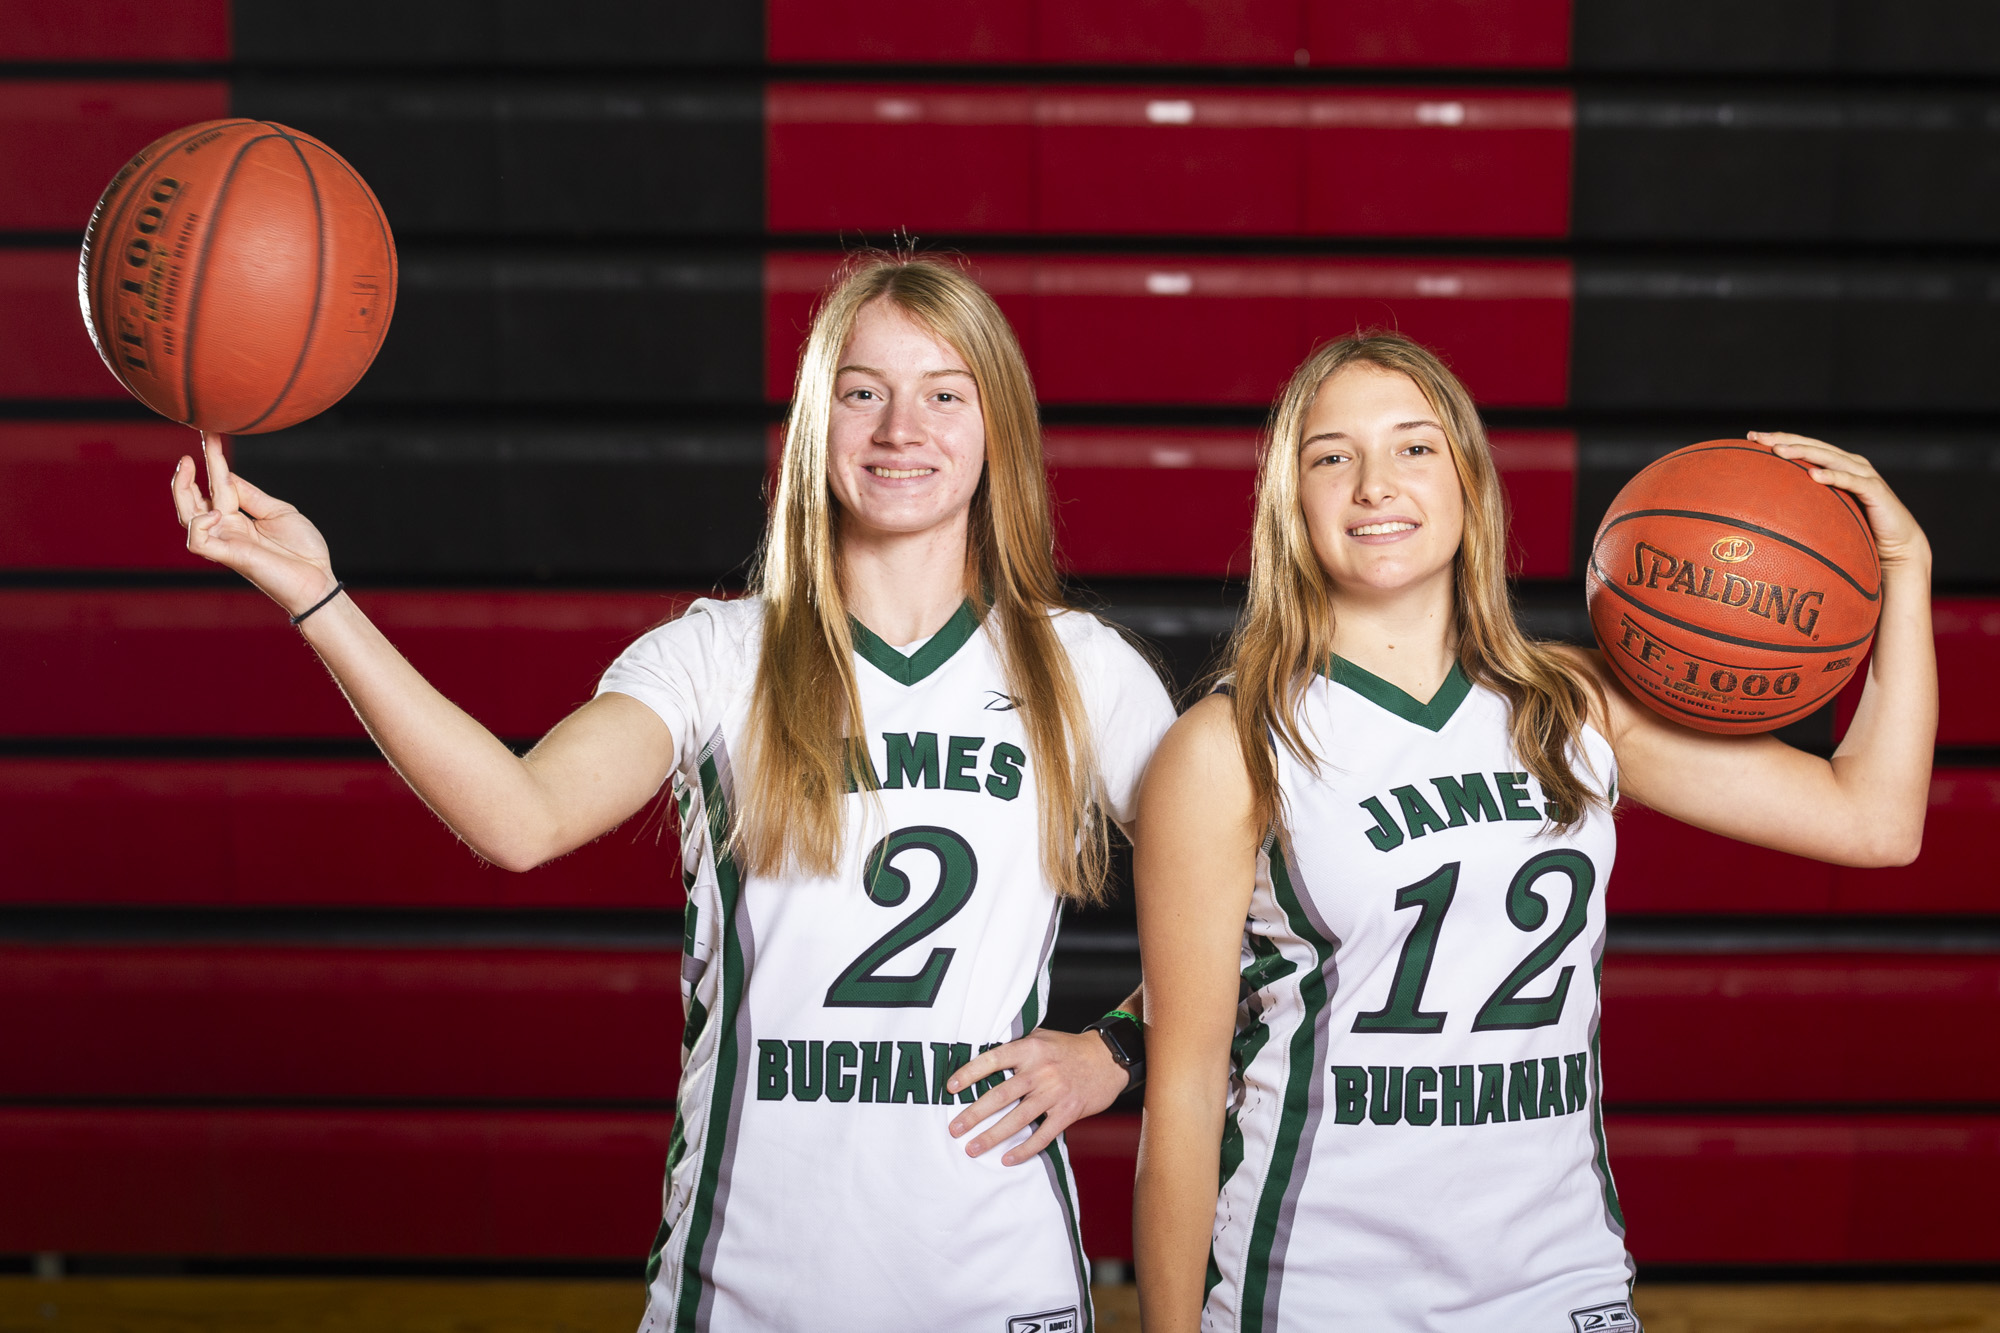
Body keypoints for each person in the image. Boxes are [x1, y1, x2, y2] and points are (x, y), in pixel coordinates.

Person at [171, 256, 1170, 1330]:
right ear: (815, 422)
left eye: (944, 394)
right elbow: (520, 817)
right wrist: (320, 597)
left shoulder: (1080, 670)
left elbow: (1269, 914)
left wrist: (1115, 1051)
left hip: (999, 1288)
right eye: (862, 391)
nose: (900, 429)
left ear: (997, 427)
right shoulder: (716, 656)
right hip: (744, 1288)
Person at [1131, 332, 1936, 1331]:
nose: (1375, 484)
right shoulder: (1228, 747)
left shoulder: (1575, 707)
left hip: (1559, 1284)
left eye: (1414, 447)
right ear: (1289, 501)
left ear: (1470, 481)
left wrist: (1904, 569)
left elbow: (1874, 819)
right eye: (1331, 455)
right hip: (1320, 1290)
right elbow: (1183, 1095)